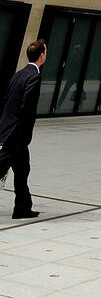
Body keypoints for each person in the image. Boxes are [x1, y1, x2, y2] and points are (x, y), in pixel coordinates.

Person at [0, 38, 47, 219]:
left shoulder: (19, 74)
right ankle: (22, 207)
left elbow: (7, 101)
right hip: (16, 134)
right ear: (42, 55)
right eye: (46, 51)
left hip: (10, 129)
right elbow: (26, 108)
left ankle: (22, 207)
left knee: (22, 170)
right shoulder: (33, 77)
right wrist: (23, 134)